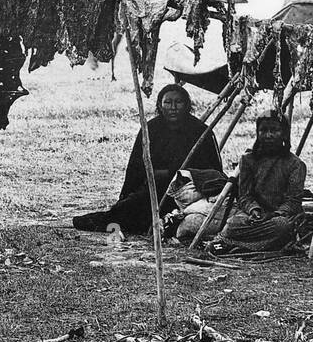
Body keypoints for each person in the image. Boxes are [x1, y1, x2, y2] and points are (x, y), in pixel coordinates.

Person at [73, 84, 223, 234]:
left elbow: (212, 171)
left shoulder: (200, 131)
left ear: (187, 105)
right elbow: (135, 166)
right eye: (167, 102)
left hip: (187, 192)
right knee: (131, 208)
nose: (173, 107)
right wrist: (127, 195)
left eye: (178, 102)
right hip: (153, 189)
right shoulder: (151, 128)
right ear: (160, 105)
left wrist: (170, 174)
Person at [214, 112, 307, 253]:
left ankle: (237, 245)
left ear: (284, 134)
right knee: (232, 224)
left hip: (280, 217)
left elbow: (293, 201)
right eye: (263, 130)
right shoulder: (248, 160)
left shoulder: (295, 164)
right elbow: (244, 196)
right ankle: (261, 245)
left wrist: (275, 214)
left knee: (282, 227)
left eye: (274, 130)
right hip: (255, 217)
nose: (268, 135)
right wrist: (254, 210)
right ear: (257, 133)